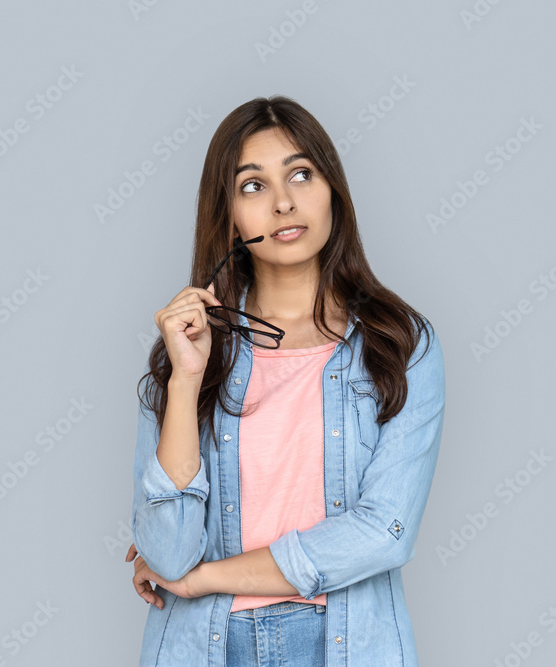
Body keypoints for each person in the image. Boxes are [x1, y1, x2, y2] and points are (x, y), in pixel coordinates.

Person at [124, 95, 445, 667]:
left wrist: (209, 578)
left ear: (333, 192)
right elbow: (169, 553)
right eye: (253, 186)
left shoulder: (399, 344)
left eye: (301, 174)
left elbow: (384, 531)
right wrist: (184, 381)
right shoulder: (193, 350)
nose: (283, 203)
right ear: (228, 216)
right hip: (205, 648)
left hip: (345, 644)